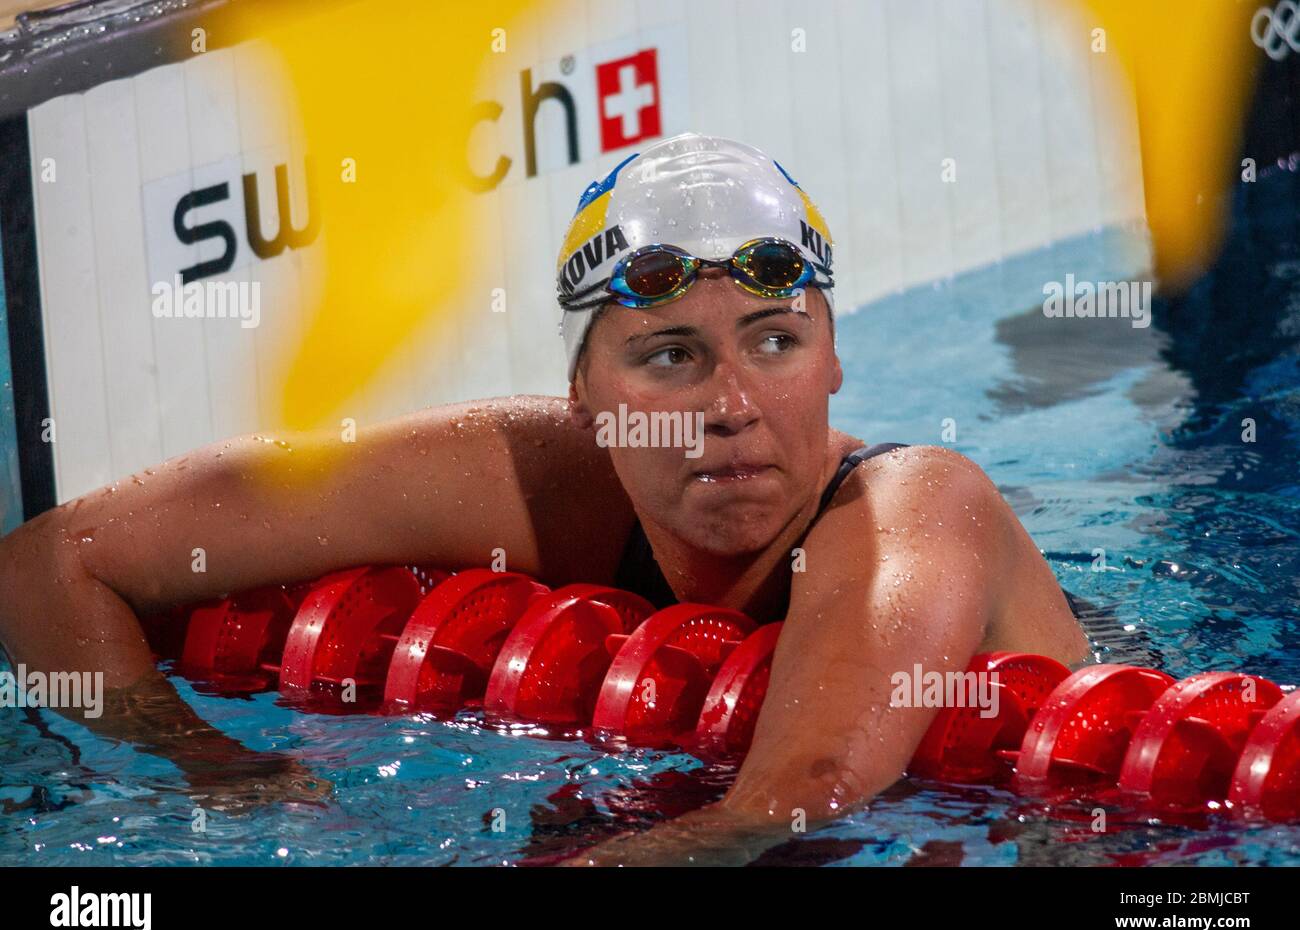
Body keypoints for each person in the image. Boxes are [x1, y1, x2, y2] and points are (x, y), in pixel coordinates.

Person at [0, 132, 1089, 859]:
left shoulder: (918, 503)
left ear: (836, 358)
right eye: (667, 355)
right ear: (582, 394)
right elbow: (53, 559)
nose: (729, 404)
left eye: (775, 342)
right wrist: (207, 760)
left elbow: (794, 792)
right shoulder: (533, 473)